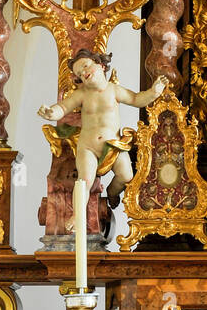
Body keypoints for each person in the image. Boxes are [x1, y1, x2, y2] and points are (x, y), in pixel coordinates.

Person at [37, 50, 167, 207]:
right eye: (79, 73)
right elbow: (64, 107)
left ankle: (112, 192)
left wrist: (154, 92)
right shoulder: (82, 94)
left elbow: (136, 99)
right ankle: (77, 216)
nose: (83, 72)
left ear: (101, 65)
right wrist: (52, 113)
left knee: (126, 176)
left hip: (113, 145)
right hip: (88, 147)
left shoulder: (114, 90)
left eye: (85, 66)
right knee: (84, 181)